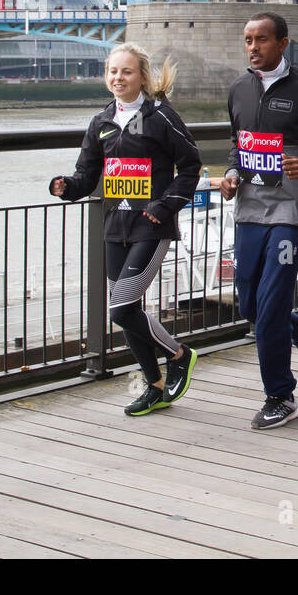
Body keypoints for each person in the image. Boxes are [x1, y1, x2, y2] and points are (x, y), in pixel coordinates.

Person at [50, 43, 202, 415]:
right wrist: (66, 187)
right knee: (127, 309)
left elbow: (191, 166)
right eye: (113, 72)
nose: (118, 78)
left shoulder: (161, 116)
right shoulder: (101, 122)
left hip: (151, 227)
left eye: (127, 72)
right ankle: (154, 386)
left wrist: (164, 206)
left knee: (120, 309)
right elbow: (87, 175)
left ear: (142, 77)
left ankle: (179, 355)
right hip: (114, 227)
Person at [218, 12, 298, 430]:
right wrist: (232, 174)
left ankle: (280, 396)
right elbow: (239, 145)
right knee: (251, 305)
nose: (253, 48)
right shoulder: (238, 89)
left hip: (289, 212)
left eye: (261, 40)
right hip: (249, 210)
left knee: (272, 305)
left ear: (283, 43)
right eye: (247, 40)